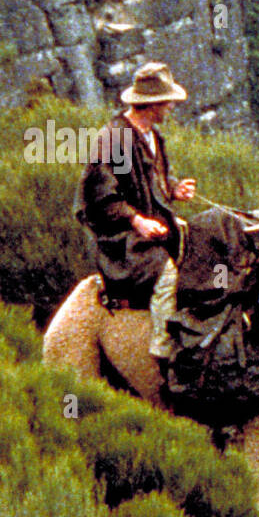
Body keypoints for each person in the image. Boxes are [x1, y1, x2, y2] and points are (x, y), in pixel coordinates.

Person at [74, 62, 196, 355]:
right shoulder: (114, 139)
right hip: (122, 242)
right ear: (152, 104)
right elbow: (102, 198)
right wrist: (136, 221)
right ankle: (163, 348)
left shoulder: (152, 136)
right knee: (167, 273)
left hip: (153, 230)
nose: (169, 108)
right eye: (166, 103)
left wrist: (174, 189)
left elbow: (155, 183)